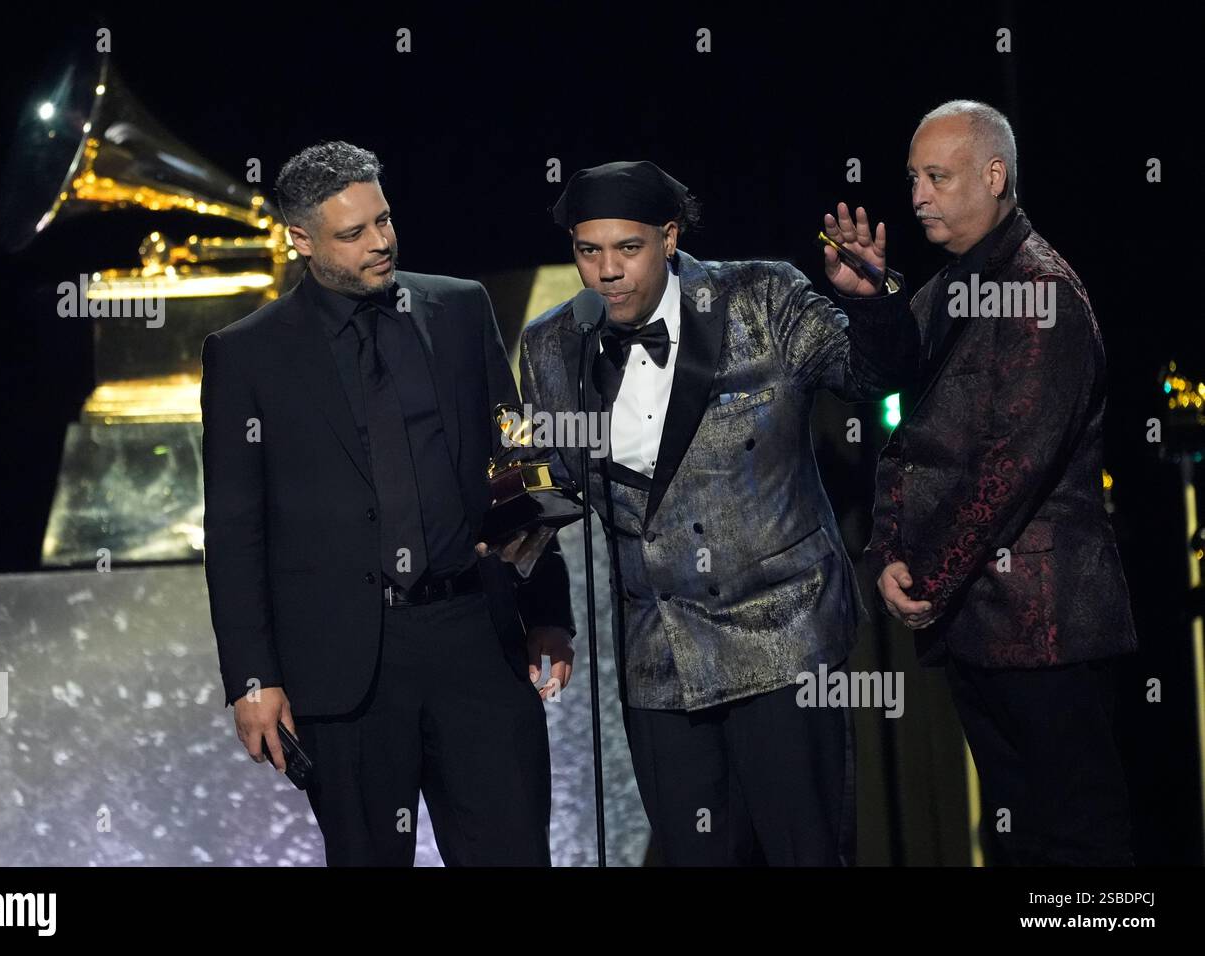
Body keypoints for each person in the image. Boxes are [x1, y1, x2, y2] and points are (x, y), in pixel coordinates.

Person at [515, 160, 920, 864]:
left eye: (628, 248)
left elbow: (872, 377)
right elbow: (552, 487)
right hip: (661, 659)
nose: (608, 271)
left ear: (669, 238)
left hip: (783, 639)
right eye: (589, 251)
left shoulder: (761, 297)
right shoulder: (553, 345)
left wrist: (873, 301)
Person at [200, 140, 575, 866]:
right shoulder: (247, 354)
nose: (380, 243)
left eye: (384, 220)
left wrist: (548, 612)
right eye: (354, 233)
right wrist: (253, 676)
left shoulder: (460, 309)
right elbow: (235, 528)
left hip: (477, 643)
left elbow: (516, 465)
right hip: (346, 668)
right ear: (301, 239)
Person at [866, 101, 1138, 865]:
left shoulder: (1041, 292)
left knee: (1079, 840)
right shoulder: (948, 288)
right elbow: (899, 422)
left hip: (1048, 628)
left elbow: (1010, 467)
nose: (916, 195)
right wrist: (869, 302)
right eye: (913, 177)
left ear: (995, 176)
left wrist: (926, 574)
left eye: (936, 176)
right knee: (1018, 837)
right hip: (977, 626)